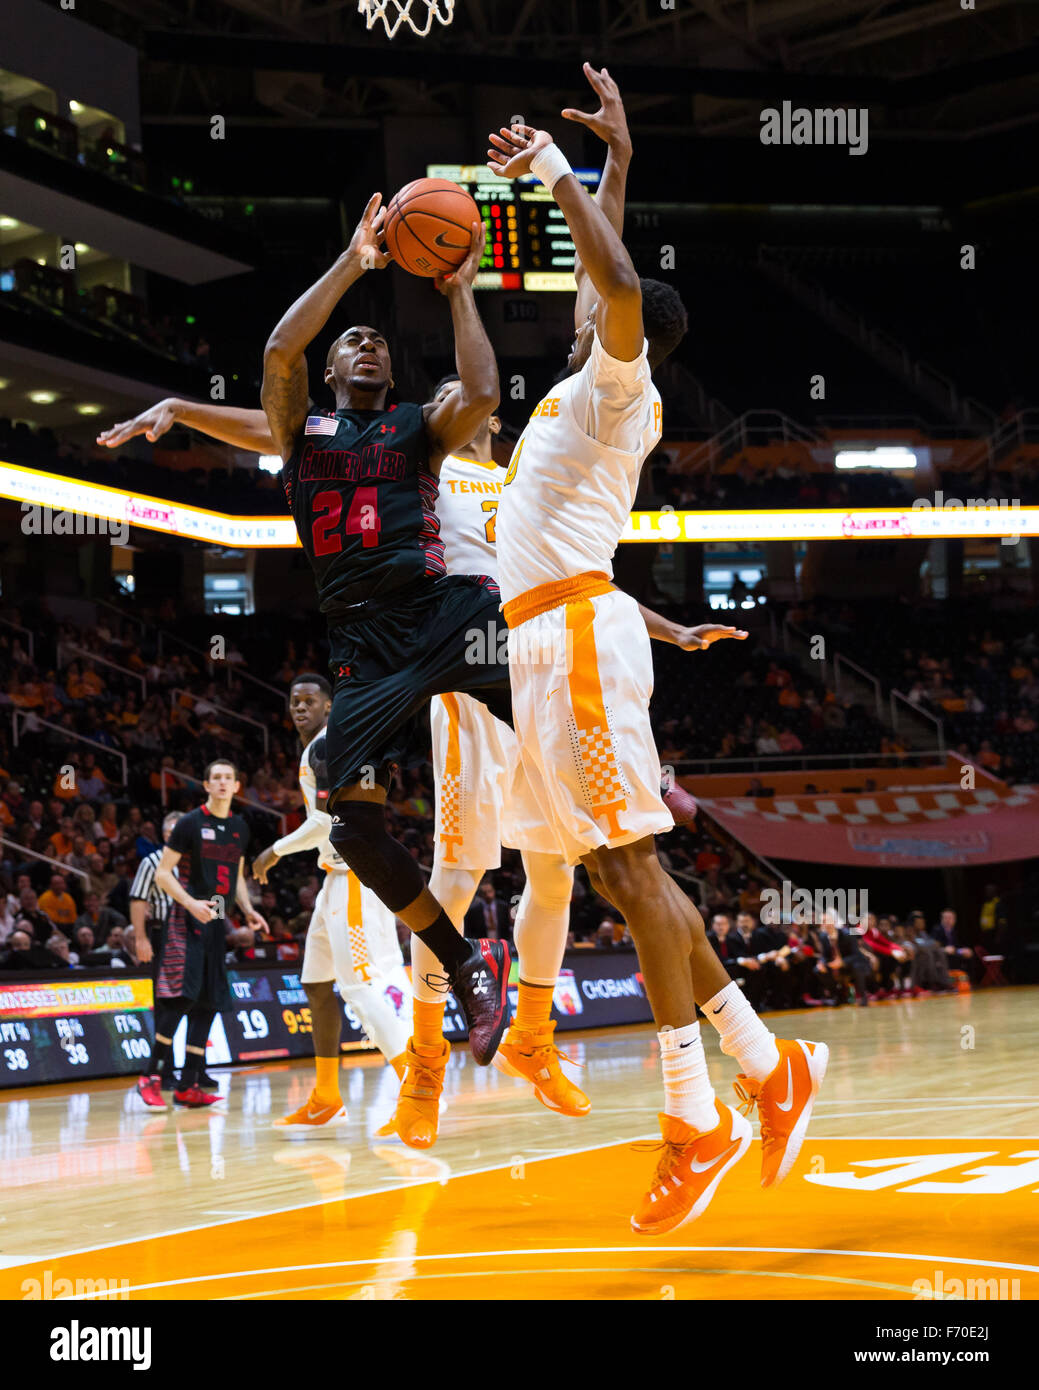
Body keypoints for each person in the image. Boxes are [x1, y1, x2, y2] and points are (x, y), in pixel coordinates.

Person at [488, 63, 826, 1234]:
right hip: (549, 640)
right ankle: (766, 1069)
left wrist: (547, 176)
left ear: (627, 325)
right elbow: (611, 261)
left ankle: (697, 1118)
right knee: (624, 868)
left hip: (574, 633)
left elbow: (617, 275)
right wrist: (613, 164)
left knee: (628, 875)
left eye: (598, 298)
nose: (585, 299)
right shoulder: (589, 380)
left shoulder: (619, 385)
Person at [251, 673, 413, 1136]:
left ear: (327, 706)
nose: (300, 708)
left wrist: (274, 850)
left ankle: (416, 1088)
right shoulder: (318, 747)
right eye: (294, 701)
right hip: (334, 878)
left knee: (362, 988)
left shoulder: (326, 745)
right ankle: (326, 1096)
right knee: (317, 984)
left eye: (310, 701)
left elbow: (327, 820)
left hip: (356, 875)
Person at [138, 759, 267, 1109]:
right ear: (206, 785)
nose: (223, 783)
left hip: (217, 923)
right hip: (185, 920)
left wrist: (248, 909)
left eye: (229, 778)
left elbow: (236, 875)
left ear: (237, 786)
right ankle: (150, 1077)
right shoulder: (190, 823)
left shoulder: (240, 826)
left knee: (209, 1003)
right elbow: (164, 874)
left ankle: (188, 1084)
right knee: (180, 999)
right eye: (216, 778)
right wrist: (191, 902)